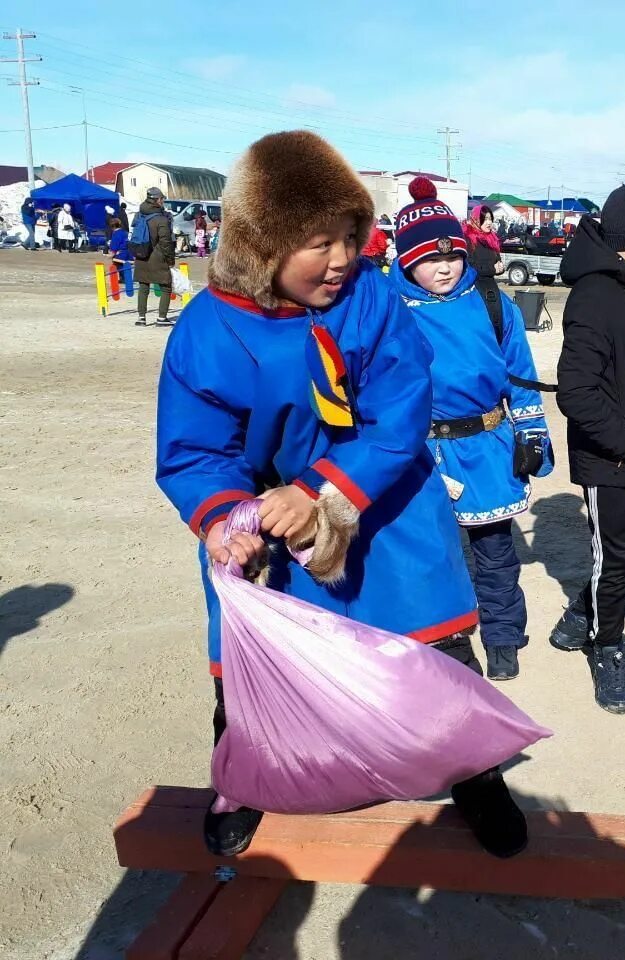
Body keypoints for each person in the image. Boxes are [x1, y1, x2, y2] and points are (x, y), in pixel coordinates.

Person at [155, 130, 526, 861]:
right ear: (261, 244)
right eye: (318, 242)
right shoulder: (208, 329)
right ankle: (246, 779)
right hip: (269, 515)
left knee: (439, 648)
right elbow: (196, 451)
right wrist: (226, 520)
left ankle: (474, 773)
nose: (341, 259)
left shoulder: (370, 298)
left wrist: (324, 490)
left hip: (384, 494)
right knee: (253, 662)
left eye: (351, 237)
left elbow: (401, 406)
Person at [390, 178, 554, 681]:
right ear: (406, 261)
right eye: (429, 259)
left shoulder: (491, 302)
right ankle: (441, 638)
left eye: (453, 256)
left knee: (494, 553)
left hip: (484, 445)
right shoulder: (388, 309)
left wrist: (531, 434)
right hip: (418, 454)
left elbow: (520, 376)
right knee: (429, 555)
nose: (444, 267)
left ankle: (503, 635)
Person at [549, 184, 625, 715]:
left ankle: (581, 612)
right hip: (611, 457)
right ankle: (607, 647)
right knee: (615, 557)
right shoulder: (596, 294)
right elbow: (576, 390)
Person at [134, 187, 176, 327]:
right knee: (166, 287)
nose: (163, 201)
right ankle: (161, 318)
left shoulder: (139, 215)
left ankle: (141, 318)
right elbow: (165, 242)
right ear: (157, 200)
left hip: (141, 255)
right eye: (162, 198)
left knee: (143, 286)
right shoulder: (161, 219)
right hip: (157, 257)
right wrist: (170, 259)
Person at [107, 216, 135, 298]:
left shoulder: (116, 234)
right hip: (128, 252)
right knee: (127, 266)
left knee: (118, 265)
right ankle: (125, 278)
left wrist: (111, 253)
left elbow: (114, 245)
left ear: (112, 226)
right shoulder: (125, 232)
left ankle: (124, 279)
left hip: (121, 253)